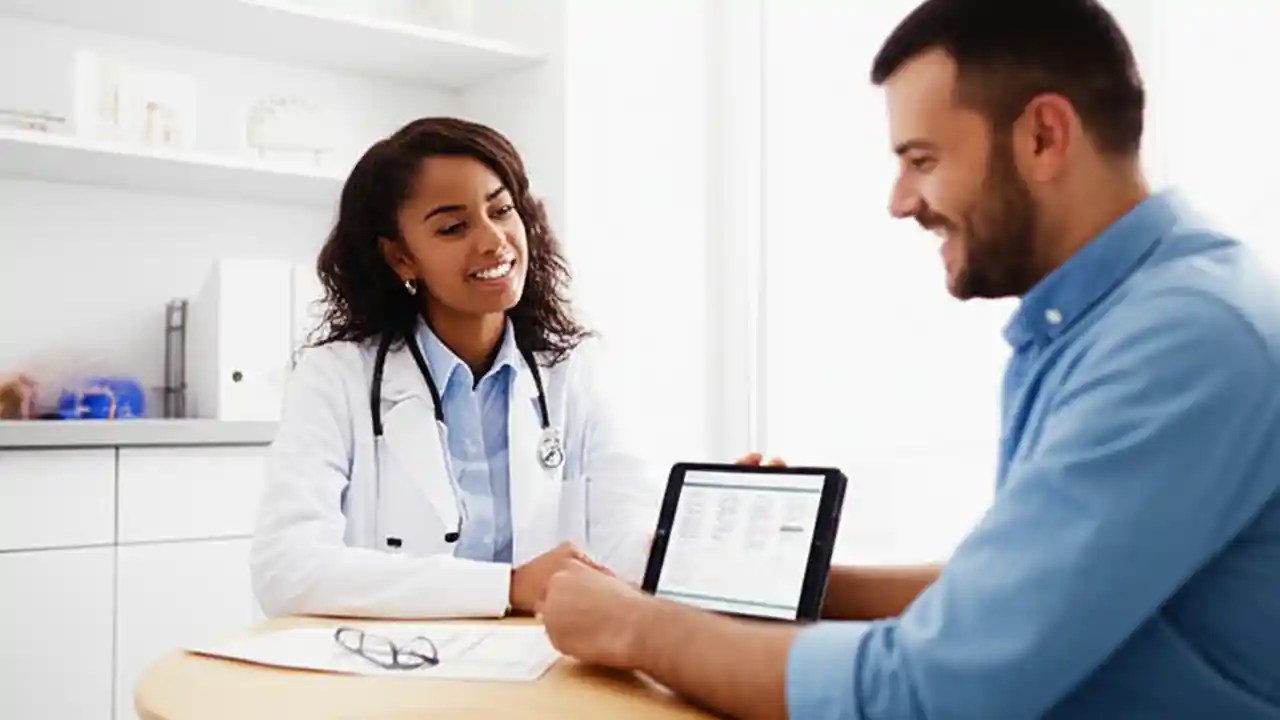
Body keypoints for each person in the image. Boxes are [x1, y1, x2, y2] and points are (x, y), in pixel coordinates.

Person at [539, 0, 1280, 717]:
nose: (900, 201)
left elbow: (927, 691)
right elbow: (1006, 596)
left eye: (921, 159)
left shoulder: (1181, 343)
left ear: (1044, 137)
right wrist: (792, 583)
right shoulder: (1117, 317)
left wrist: (633, 627)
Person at [252, 117, 657, 620]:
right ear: (402, 258)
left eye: (502, 210)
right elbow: (286, 571)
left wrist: (718, 544)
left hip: (544, 668)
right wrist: (506, 587)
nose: (494, 241)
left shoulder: (572, 372)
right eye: (453, 227)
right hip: (393, 671)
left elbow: (631, 540)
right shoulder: (335, 377)